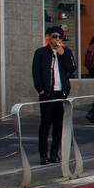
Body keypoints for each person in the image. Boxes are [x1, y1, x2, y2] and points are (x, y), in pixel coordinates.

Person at [32, 26, 76, 165]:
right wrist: (41, 90)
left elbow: (71, 69)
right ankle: (43, 154)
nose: (57, 39)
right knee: (45, 123)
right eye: (55, 36)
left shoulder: (66, 52)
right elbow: (36, 72)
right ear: (49, 37)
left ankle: (54, 153)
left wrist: (62, 54)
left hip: (60, 92)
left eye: (60, 37)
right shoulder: (41, 53)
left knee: (58, 124)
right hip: (47, 93)